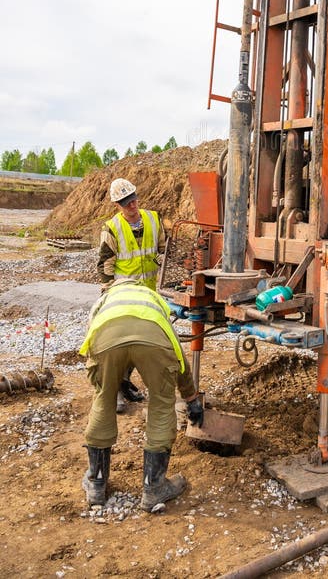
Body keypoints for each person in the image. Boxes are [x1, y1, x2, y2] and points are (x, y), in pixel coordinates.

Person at [79, 276, 204, 512]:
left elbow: (93, 354)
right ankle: (153, 488)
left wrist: (113, 384)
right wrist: (191, 398)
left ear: (114, 287)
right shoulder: (152, 299)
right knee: (161, 403)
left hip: (107, 341)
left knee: (103, 401)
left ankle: (96, 485)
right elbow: (178, 355)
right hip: (153, 343)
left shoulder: (104, 301)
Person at [97, 178, 166, 411]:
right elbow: (105, 264)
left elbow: (163, 250)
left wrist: (161, 261)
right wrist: (108, 294)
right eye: (126, 203)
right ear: (117, 204)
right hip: (124, 296)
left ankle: (124, 382)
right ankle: (114, 389)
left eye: (134, 199)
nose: (132, 205)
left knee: (141, 343)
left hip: (148, 294)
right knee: (120, 343)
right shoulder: (112, 228)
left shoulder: (154, 219)